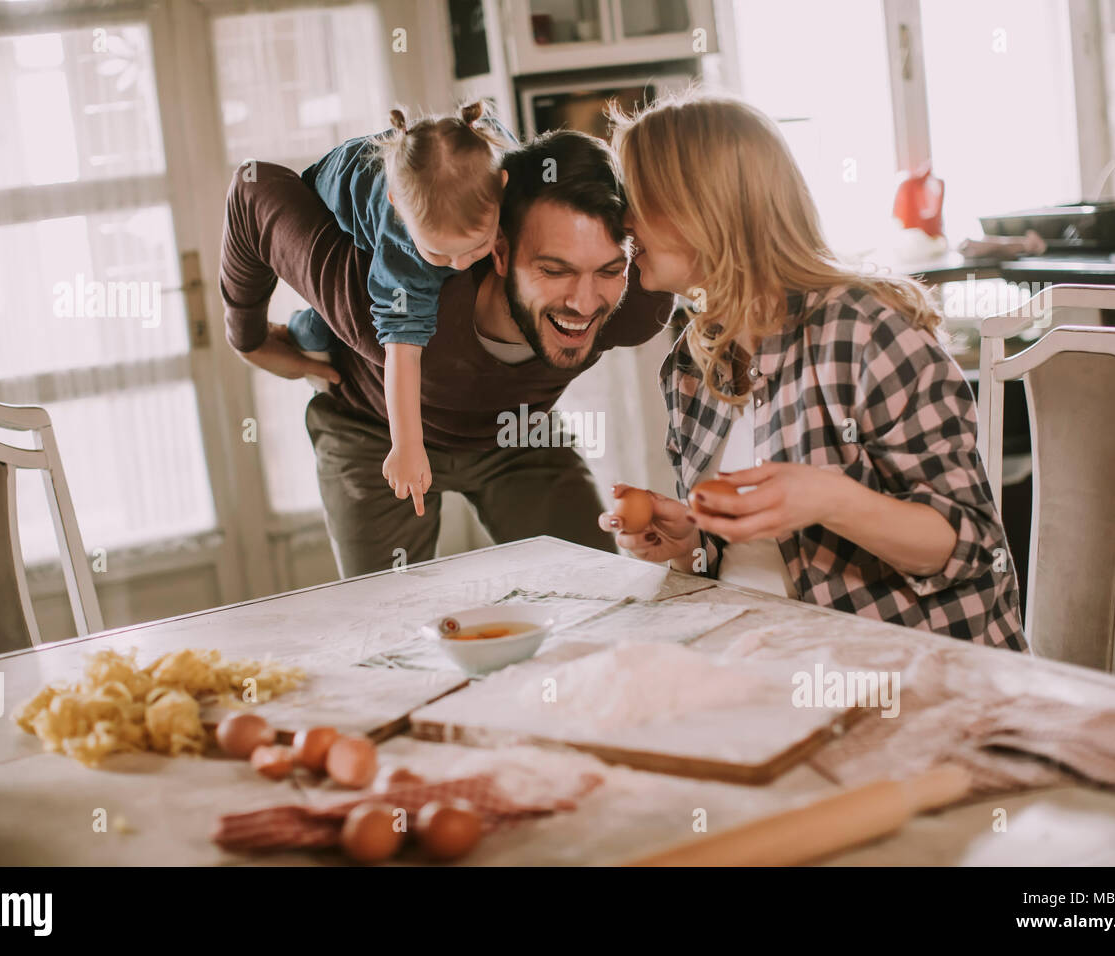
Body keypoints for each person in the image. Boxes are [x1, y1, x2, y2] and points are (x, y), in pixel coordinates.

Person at [600, 93, 1026, 651]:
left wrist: (830, 500)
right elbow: (752, 562)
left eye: (639, 198)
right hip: (765, 664)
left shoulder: (867, 332)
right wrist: (687, 541)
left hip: (908, 675)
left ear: (704, 205)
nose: (624, 221)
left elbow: (970, 547)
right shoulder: (692, 359)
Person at [220, 130, 675, 578]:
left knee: (596, 588)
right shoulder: (377, 298)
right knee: (388, 626)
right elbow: (253, 186)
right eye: (554, 270)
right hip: (375, 430)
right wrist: (250, 340)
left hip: (517, 431)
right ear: (499, 251)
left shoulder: (638, 303)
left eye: (609, 270)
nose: (583, 302)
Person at [277, 102, 514, 515]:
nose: (460, 265)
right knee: (341, 311)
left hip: (403, 169)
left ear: (503, 186)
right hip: (329, 195)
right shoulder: (401, 250)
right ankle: (303, 329)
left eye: (475, 246)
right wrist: (407, 445)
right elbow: (402, 351)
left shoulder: (502, 161)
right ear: (398, 207)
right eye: (439, 254)